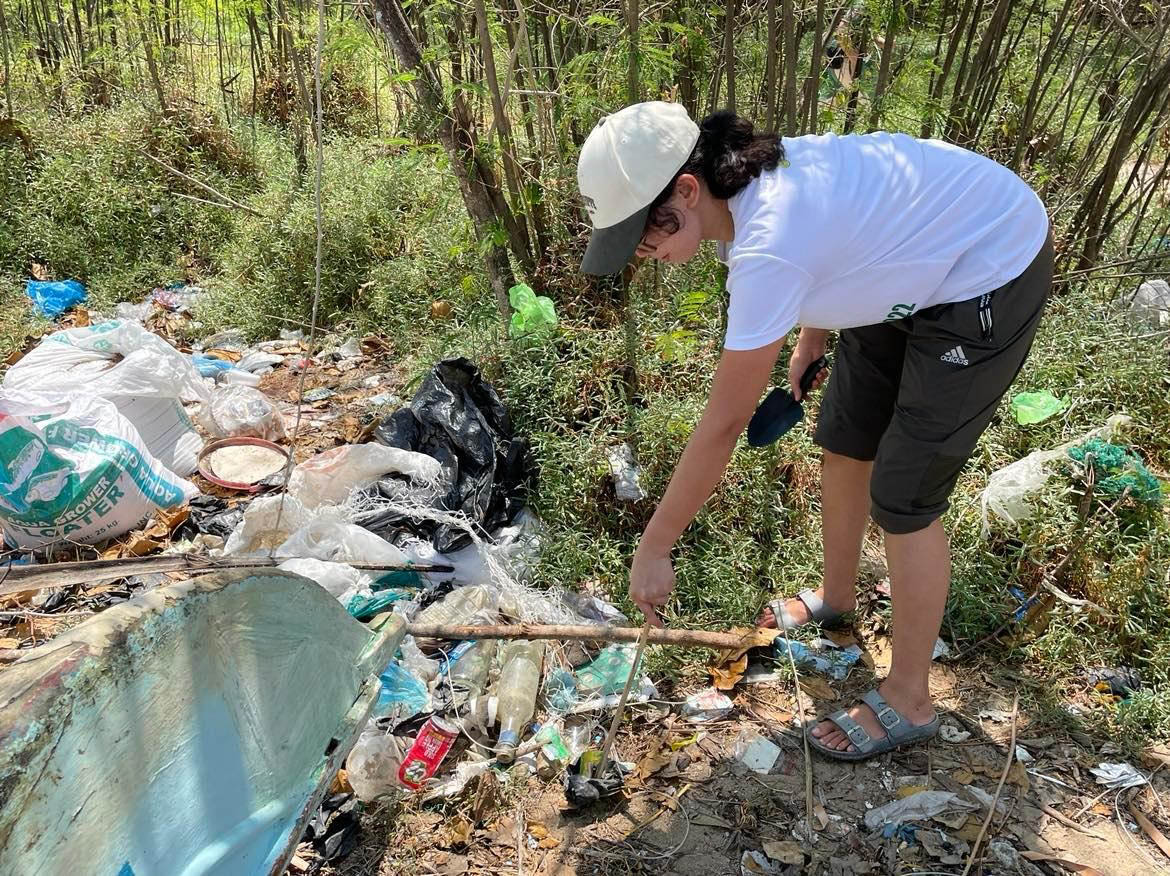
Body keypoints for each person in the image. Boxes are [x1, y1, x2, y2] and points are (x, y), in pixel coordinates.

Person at [577, 101, 1052, 761]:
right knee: (845, 436)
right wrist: (813, 331)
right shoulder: (740, 193)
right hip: (913, 259)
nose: (644, 253)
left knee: (905, 494)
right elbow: (841, 238)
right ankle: (837, 595)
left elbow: (725, 423)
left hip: (986, 265)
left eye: (643, 236)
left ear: (686, 190)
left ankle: (911, 698)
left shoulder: (770, 237)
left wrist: (656, 547)